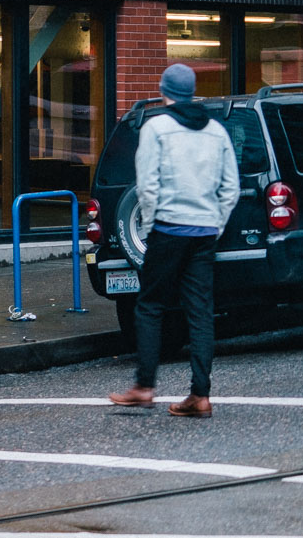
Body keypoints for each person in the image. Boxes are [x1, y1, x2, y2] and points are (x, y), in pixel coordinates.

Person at [109, 63, 240, 418]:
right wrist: (215, 223)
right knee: (200, 312)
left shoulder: (157, 128)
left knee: (150, 305)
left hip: (168, 228)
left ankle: (145, 385)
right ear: (193, 91)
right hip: (203, 232)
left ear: (165, 90)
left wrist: (152, 226)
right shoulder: (216, 130)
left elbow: (147, 186)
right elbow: (232, 188)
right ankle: (200, 394)